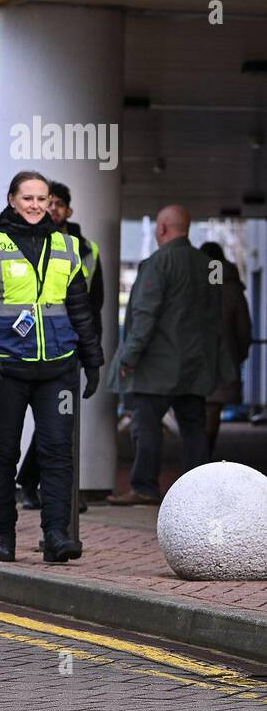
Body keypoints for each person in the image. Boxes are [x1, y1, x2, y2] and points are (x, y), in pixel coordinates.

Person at [0, 171, 103, 563]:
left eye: (43, 198)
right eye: (28, 198)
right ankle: (3, 535)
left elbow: (80, 309)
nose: (37, 205)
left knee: (57, 452)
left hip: (58, 367)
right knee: (3, 451)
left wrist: (93, 360)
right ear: (12, 199)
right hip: (5, 368)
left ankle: (56, 535)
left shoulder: (69, 247)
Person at [105, 206, 224, 504]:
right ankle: (199, 490)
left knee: (146, 429)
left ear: (161, 229)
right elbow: (215, 315)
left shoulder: (157, 263)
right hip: (195, 365)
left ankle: (145, 487)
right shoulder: (210, 267)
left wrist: (128, 357)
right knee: (194, 430)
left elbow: (144, 316)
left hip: (155, 367)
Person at [16, 180, 105, 508]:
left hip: (71, 345)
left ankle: (53, 490)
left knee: (61, 420)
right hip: (34, 344)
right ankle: (37, 484)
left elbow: (94, 303)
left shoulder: (87, 249)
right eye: (47, 203)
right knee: (51, 422)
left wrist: (91, 350)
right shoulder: (29, 242)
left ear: (68, 210)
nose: (51, 209)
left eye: (58, 204)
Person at [200, 242, 252, 455]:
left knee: (193, 409)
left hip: (192, 358)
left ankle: (196, 455)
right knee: (213, 408)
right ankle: (206, 450)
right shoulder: (232, 288)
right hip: (224, 358)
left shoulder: (191, 286)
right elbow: (243, 328)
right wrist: (238, 355)